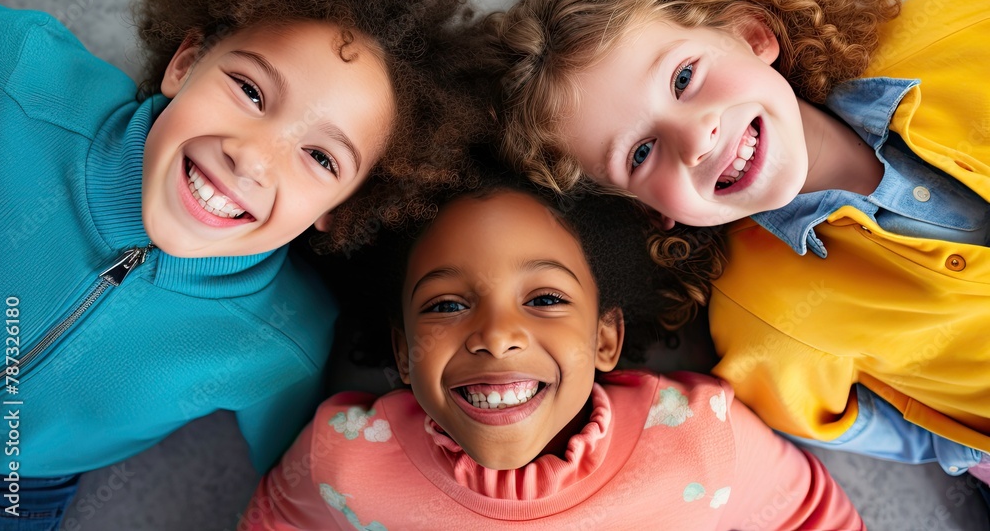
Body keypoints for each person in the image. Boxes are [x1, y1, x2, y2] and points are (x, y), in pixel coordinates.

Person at [0, 0, 488, 529]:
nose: (251, 156)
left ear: (338, 209)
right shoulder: (21, 73)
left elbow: (313, 488)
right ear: (186, 60)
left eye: (320, 157)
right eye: (251, 91)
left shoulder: (283, 342)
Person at [491, 0, 990, 484]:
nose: (695, 138)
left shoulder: (968, 19)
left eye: (683, 79)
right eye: (643, 152)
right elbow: (862, 426)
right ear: (650, 210)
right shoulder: (765, 324)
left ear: (751, 35)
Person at [240, 168, 863, 530]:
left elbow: (814, 516)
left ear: (606, 338)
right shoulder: (345, 461)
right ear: (403, 354)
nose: (496, 334)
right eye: (447, 305)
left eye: (544, 299)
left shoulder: (702, 440)